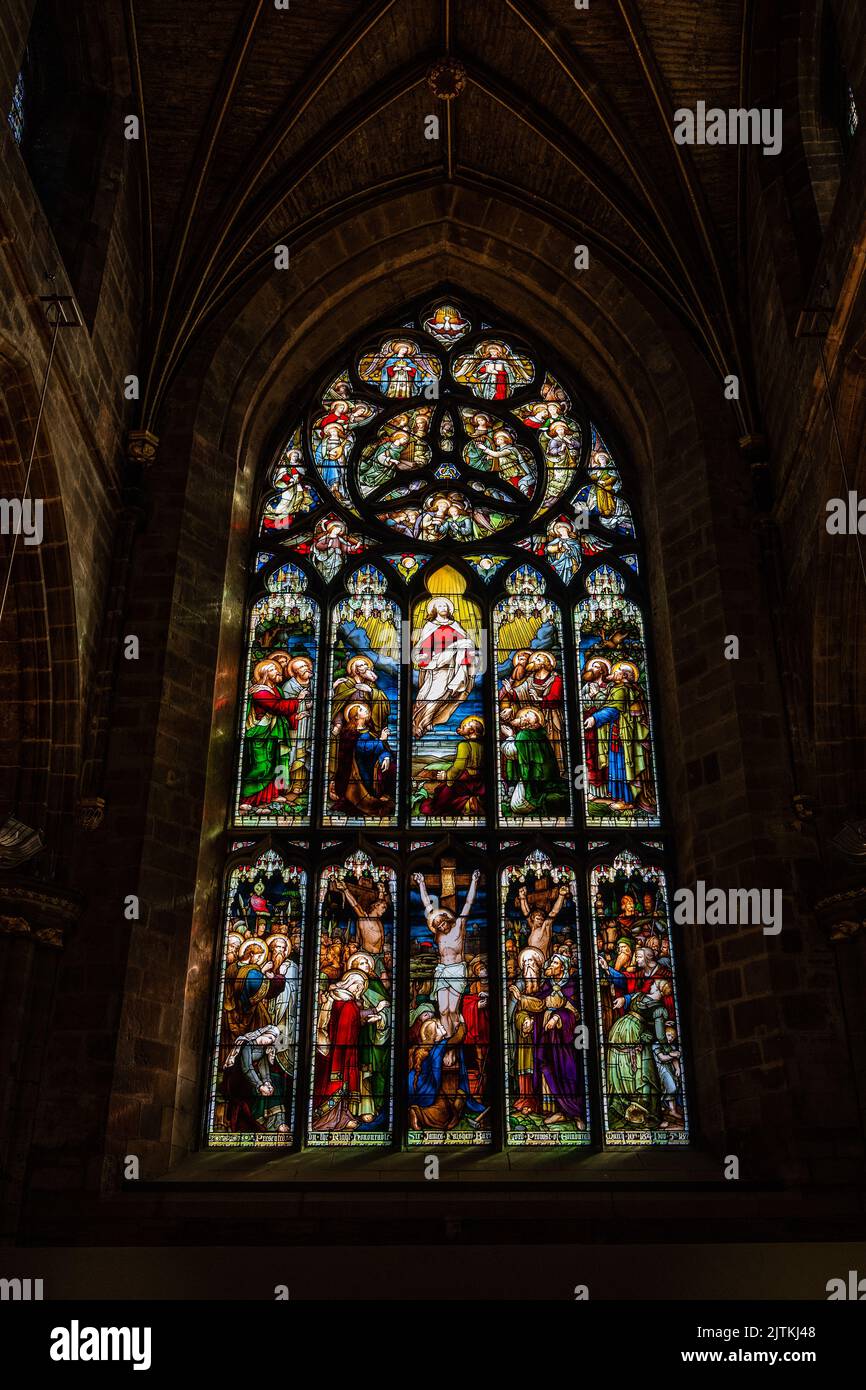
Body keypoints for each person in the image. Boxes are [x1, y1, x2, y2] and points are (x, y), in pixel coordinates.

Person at [414, 869, 480, 1034]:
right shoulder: (438, 935)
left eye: (442, 923)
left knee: (451, 1010)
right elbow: (428, 905)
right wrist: (421, 883)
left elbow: (468, 904)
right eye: (437, 926)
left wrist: (474, 881)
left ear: (447, 919)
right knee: (442, 1010)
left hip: (457, 970)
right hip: (442, 970)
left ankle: (456, 1025)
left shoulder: (459, 926)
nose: (441, 927)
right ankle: (447, 1037)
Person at [412, 598, 478, 737]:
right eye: (440, 605)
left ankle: (428, 721)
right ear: (434, 610)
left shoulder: (455, 625)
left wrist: (459, 647)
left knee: (445, 696)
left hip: (453, 667)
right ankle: (420, 722)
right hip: (436, 666)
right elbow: (423, 646)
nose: (444, 608)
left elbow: (466, 642)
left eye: (446, 606)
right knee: (432, 696)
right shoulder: (429, 626)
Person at [329, 702, 393, 816]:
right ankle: (370, 795)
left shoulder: (369, 729)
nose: (366, 711)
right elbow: (362, 748)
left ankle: (381, 793)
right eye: (362, 710)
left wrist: (386, 757)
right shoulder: (350, 733)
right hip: (359, 771)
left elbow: (380, 749)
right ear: (356, 716)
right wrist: (381, 740)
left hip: (371, 764)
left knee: (392, 766)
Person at [418, 715, 484, 816]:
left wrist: (446, 776)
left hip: (465, 780)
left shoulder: (464, 745)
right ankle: (471, 802)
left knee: (439, 801)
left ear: (471, 731)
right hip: (479, 780)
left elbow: (459, 767)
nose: (462, 727)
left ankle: (468, 805)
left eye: (465, 726)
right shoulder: (482, 745)